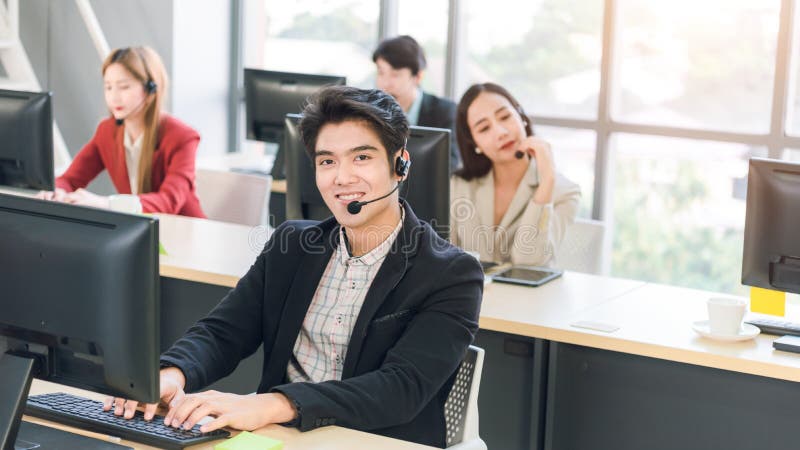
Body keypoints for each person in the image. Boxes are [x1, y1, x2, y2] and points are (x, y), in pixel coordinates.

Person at [105, 86, 483, 448]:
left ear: (400, 163)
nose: (342, 177)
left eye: (362, 157)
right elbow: (224, 332)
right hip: (280, 437)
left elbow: (399, 388)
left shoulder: (451, 274)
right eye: (327, 161)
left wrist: (275, 404)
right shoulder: (292, 246)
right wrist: (173, 374)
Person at [37, 46, 205, 217]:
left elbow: (169, 201)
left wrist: (106, 203)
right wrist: (57, 191)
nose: (114, 97)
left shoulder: (182, 137)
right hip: (142, 231)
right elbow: (70, 179)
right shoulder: (107, 131)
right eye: (108, 87)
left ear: (151, 89)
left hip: (185, 231)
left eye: (124, 87)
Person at [450, 82, 581, 266]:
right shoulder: (460, 185)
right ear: (474, 143)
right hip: (471, 294)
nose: (501, 132)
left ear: (522, 117)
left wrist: (547, 182)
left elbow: (528, 263)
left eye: (505, 117)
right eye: (484, 128)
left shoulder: (565, 193)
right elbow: (444, 259)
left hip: (529, 296)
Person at [373, 35, 461, 172]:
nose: (385, 83)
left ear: (418, 76)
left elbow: (451, 165)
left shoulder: (445, 112)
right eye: (381, 72)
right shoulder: (372, 112)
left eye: (395, 74)